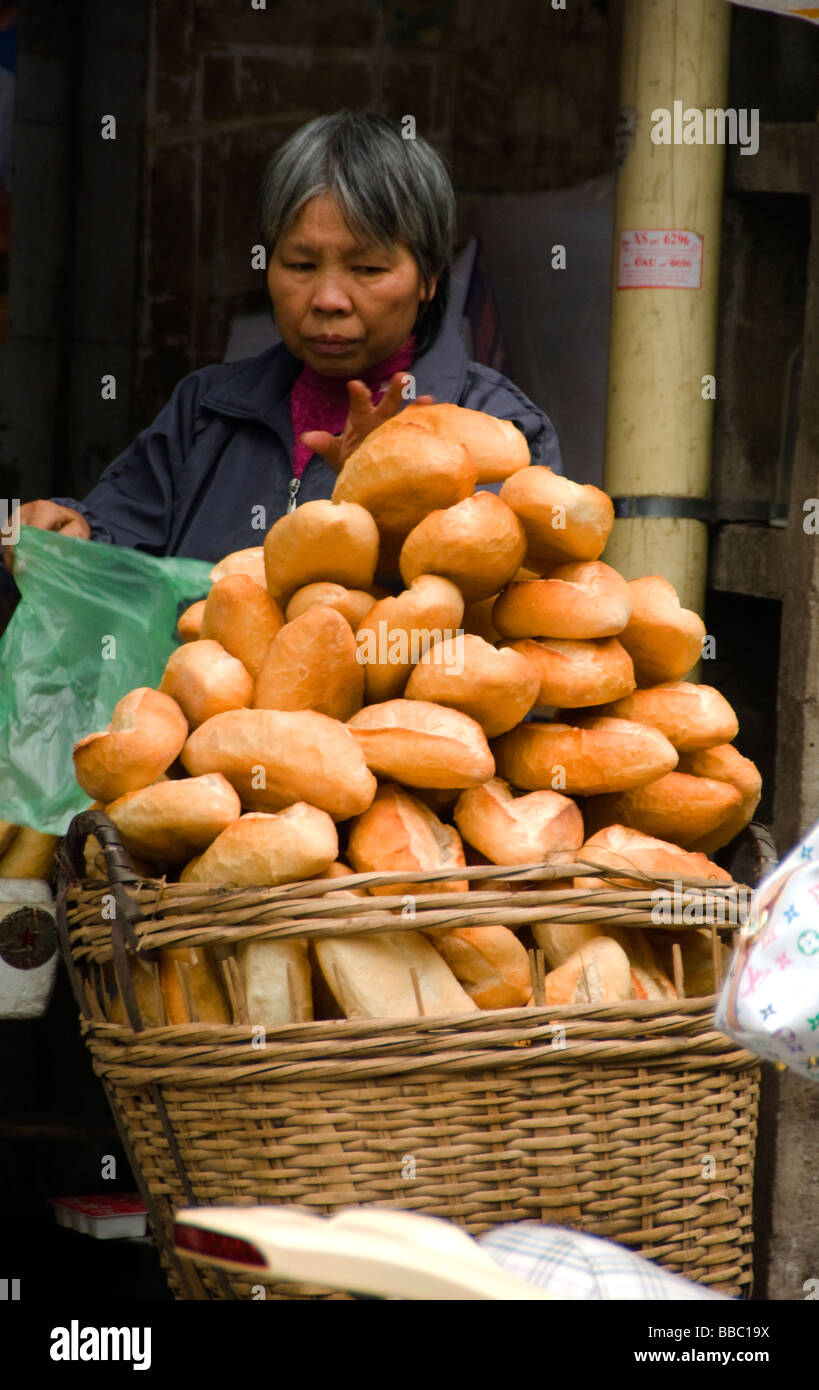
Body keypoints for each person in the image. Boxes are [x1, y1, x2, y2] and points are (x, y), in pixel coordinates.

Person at [1, 110, 560, 585]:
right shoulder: (207, 411)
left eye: (367, 268)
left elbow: (520, 630)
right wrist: (70, 533)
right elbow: (116, 551)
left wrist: (380, 501)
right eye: (300, 265)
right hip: (204, 716)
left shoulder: (501, 433)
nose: (328, 298)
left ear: (430, 277)